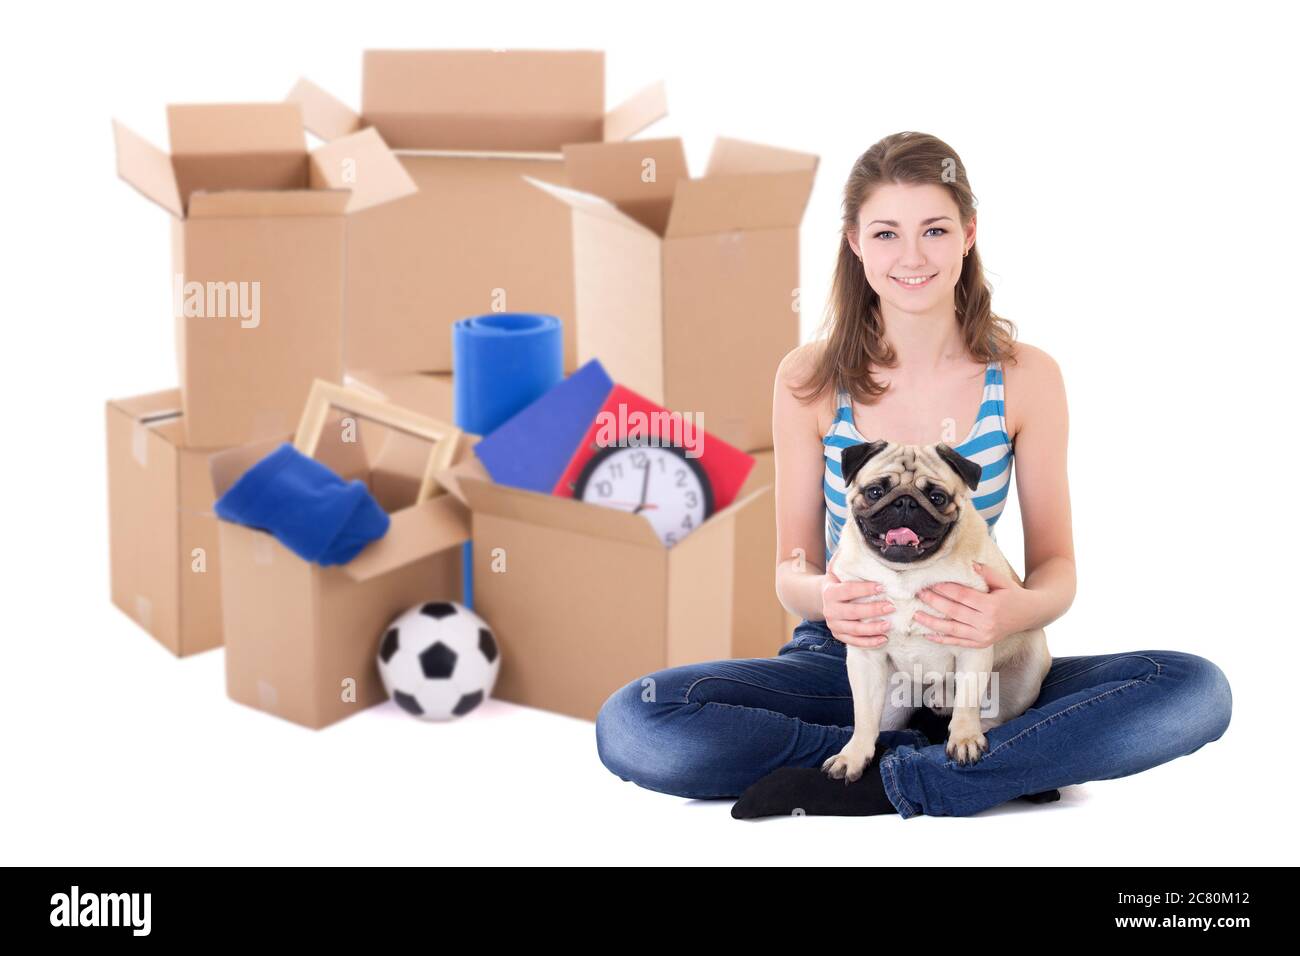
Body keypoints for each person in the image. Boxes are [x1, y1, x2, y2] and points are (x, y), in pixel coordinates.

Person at [594, 131, 1232, 819]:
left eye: (934, 229)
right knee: (639, 723)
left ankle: (882, 777)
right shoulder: (809, 379)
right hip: (853, 654)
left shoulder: (1025, 377)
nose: (912, 256)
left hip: (983, 658)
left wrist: (1011, 610)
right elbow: (792, 567)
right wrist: (825, 597)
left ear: (968, 235)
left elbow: (1057, 569)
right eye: (887, 233)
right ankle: (972, 760)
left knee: (1194, 690)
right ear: (854, 242)